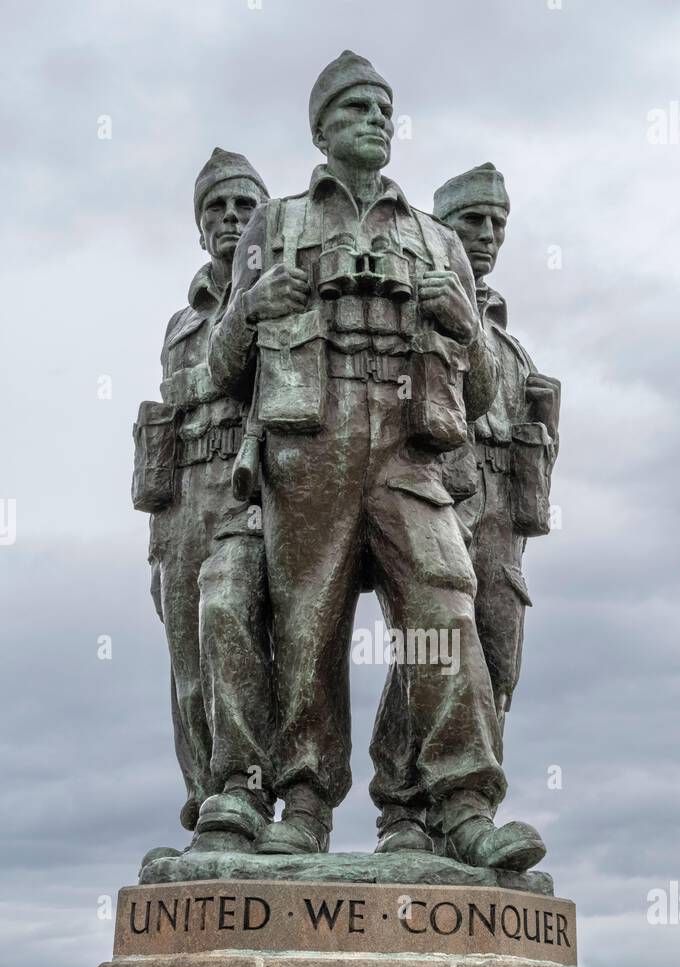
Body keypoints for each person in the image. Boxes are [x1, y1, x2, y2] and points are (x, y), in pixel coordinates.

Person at [210, 53, 545, 871]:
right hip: (308, 447)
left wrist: (462, 323)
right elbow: (223, 369)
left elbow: (480, 398)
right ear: (321, 128)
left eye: (385, 109)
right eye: (356, 108)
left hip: (406, 450)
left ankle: (460, 802)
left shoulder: (435, 240)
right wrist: (252, 310)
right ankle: (302, 802)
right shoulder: (275, 226)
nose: (375, 120)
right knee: (308, 625)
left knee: (444, 605)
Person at [136, 148, 274, 847]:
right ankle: (207, 811)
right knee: (188, 665)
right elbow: (171, 409)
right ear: (199, 227)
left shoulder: (281, 290)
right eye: (215, 208)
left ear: (263, 219)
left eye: (243, 206)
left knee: (230, 623)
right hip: (182, 493)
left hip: (250, 486)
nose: (228, 218)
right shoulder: (179, 323)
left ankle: (244, 786)